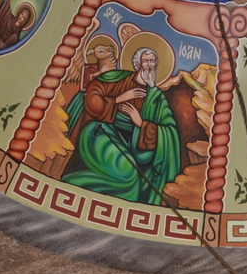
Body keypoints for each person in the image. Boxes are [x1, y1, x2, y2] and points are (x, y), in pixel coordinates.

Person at [62, 45, 184, 205]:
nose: (149, 64)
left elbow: (169, 130)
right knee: (128, 172)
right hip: (102, 132)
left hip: (133, 143)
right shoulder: (117, 78)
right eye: (145, 60)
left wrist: (141, 123)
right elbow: (92, 96)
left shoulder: (156, 96)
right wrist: (119, 98)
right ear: (137, 63)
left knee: (134, 173)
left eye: (152, 61)